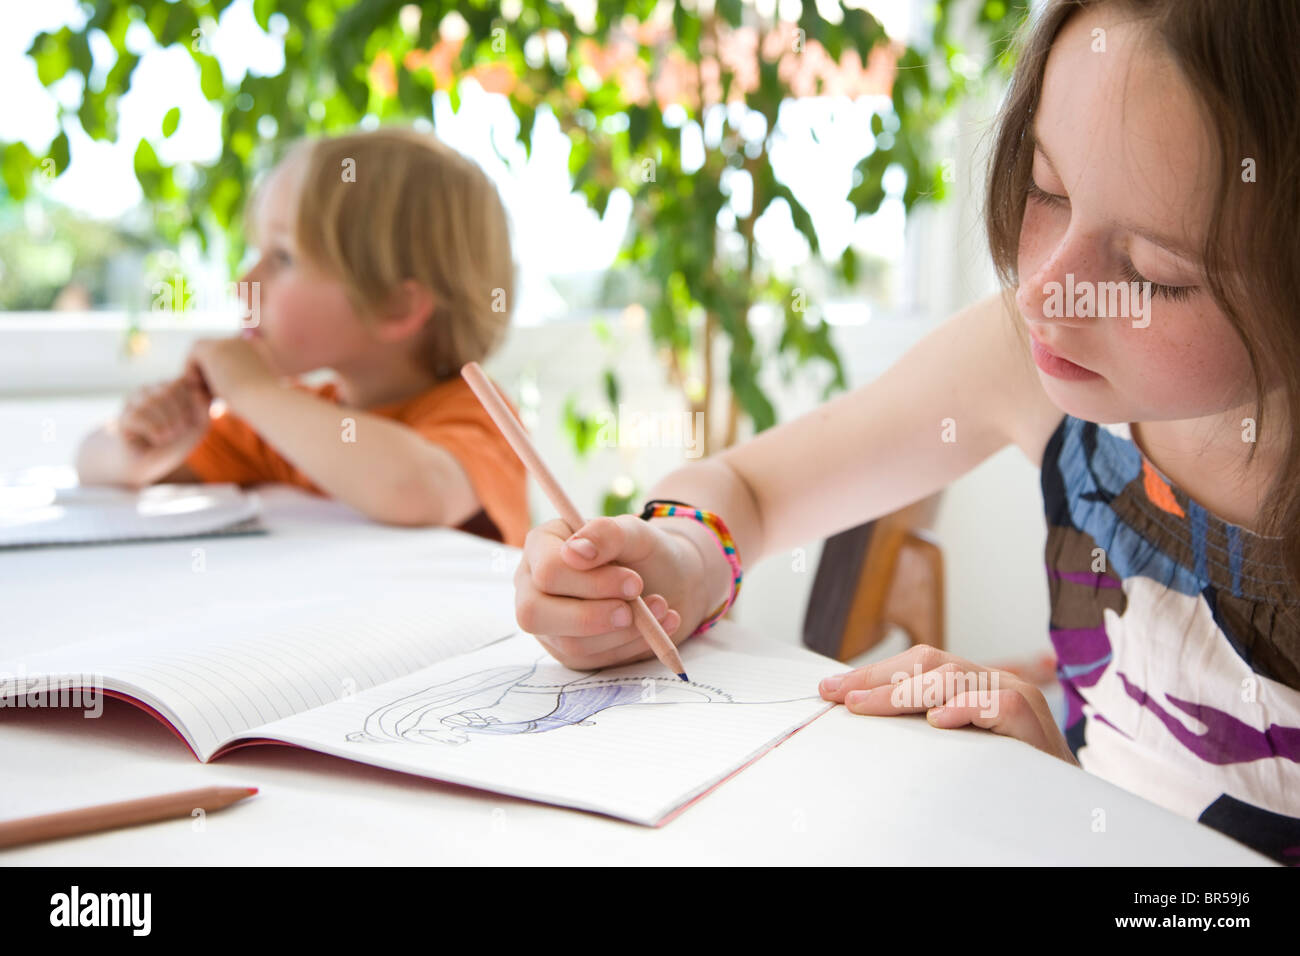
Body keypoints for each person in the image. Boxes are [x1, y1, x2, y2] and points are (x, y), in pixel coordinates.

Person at [512, 0, 1300, 862]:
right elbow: (752, 492)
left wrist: (1065, 813)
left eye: (1154, 272)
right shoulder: (1021, 357)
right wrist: (679, 560)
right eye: (1046, 187)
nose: (1043, 290)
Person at [76, 128, 529, 547]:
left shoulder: (481, 414)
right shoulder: (285, 420)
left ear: (397, 306)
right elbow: (91, 463)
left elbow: (413, 489)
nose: (245, 283)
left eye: (282, 257)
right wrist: (142, 449)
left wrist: (252, 389)